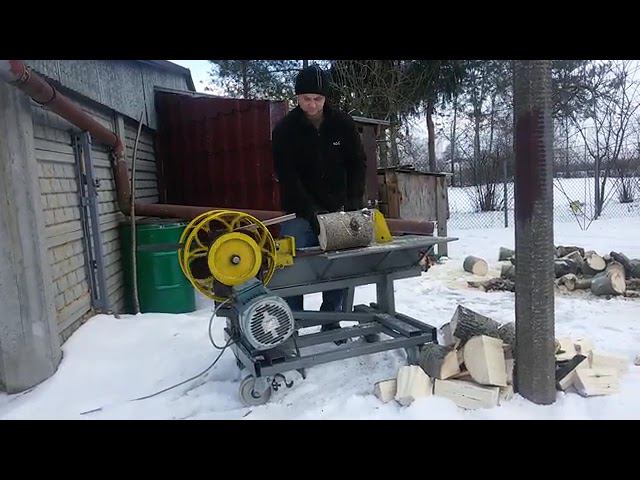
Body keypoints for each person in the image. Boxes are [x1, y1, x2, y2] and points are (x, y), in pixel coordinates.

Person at [272, 64, 367, 340]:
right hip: (299, 210)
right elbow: (287, 176)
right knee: (292, 265)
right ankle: (292, 322)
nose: (312, 105)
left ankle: (331, 319)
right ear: (297, 97)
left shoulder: (342, 124)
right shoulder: (285, 130)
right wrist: (310, 211)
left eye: (317, 99)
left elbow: (357, 163)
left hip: (338, 208)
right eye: (306, 99)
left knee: (339, 265)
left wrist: (353, 200)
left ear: (326, 98)